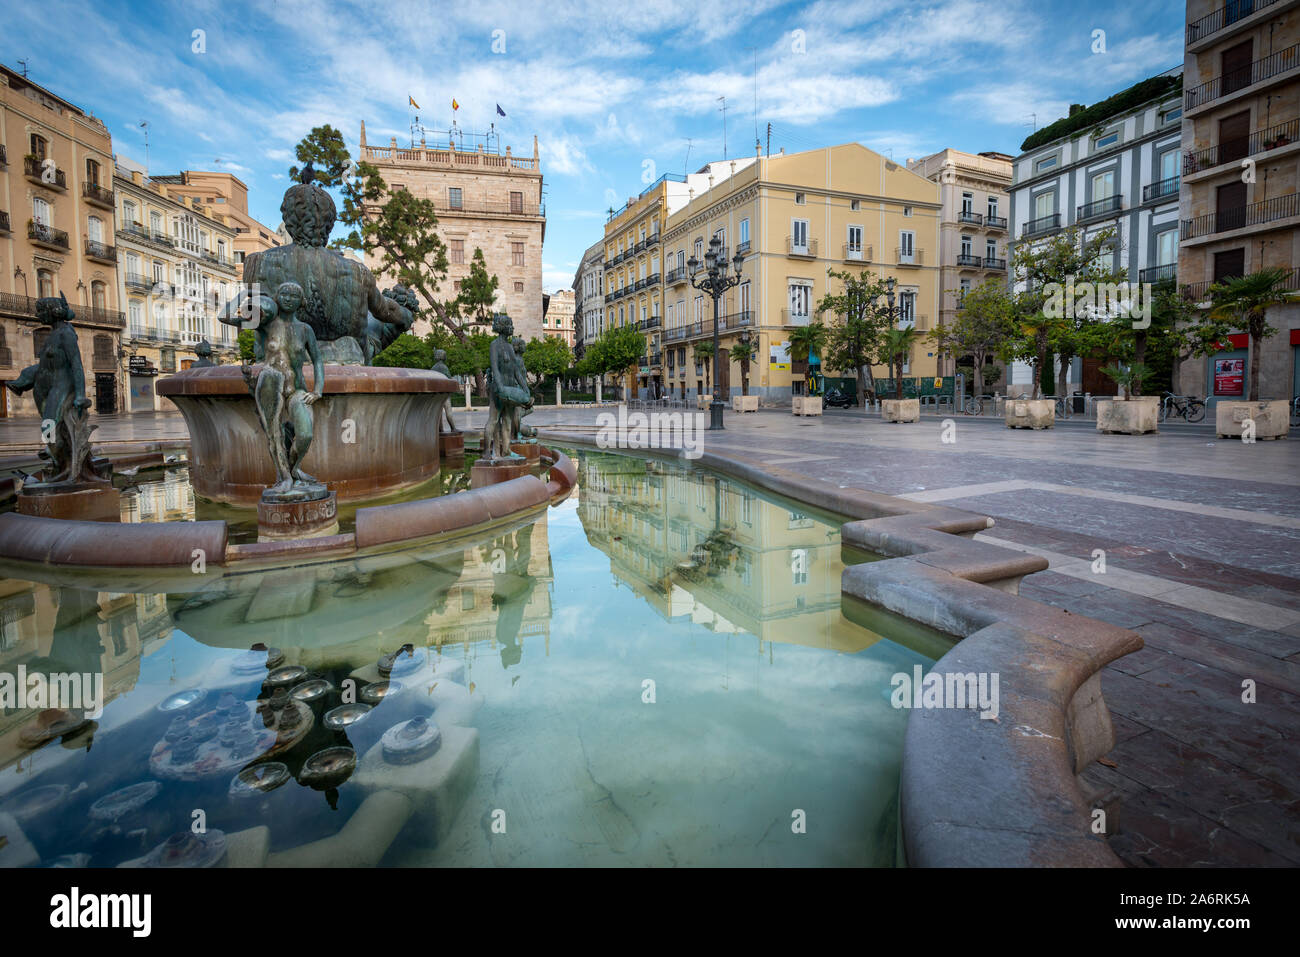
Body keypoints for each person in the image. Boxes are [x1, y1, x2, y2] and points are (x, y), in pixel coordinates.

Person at [241, 282, 325, 498]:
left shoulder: (305, 330)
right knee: (274, 434)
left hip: (297, 388)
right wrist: (246, 295)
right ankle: (285, 478)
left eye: (294, 295)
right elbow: (229, 317)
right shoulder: (266, 325)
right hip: (270, 382)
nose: (288, 298)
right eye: (284, 294)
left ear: (301, 301)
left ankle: (294, 468)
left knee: (305, 433)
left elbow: (317, 360)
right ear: (277, 297)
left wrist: (318, 390)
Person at [5, 294, 93, 484]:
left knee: (49, 424)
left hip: (61, 385)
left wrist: (79, 395)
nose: (38, 315)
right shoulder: (52, 334)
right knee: (48, 425)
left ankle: (62, 462)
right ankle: (57, 459)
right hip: (45, 385)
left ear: (52, 313)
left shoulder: (66, 335)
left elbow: (76, 364)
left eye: (41, 311)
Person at [482, 314, 531, 461]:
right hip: (499, 390)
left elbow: (516, 372)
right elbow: (495, 368)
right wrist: (500, 387)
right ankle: (487, 451)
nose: (512, 327)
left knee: (508, 421)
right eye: (510, 325)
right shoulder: (494, 345)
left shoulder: (510, 347)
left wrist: (525, 389)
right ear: (503, 327)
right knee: (493, 420)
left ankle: (507, 451)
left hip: (510, 389)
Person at [431, 348, 458, 434]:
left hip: (436, 395)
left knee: (438, 415)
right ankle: (453, 428)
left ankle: (440, 430)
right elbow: (449, 379)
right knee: (448, 412)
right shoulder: (444, 367)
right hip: (445, 394)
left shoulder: (433, 368)